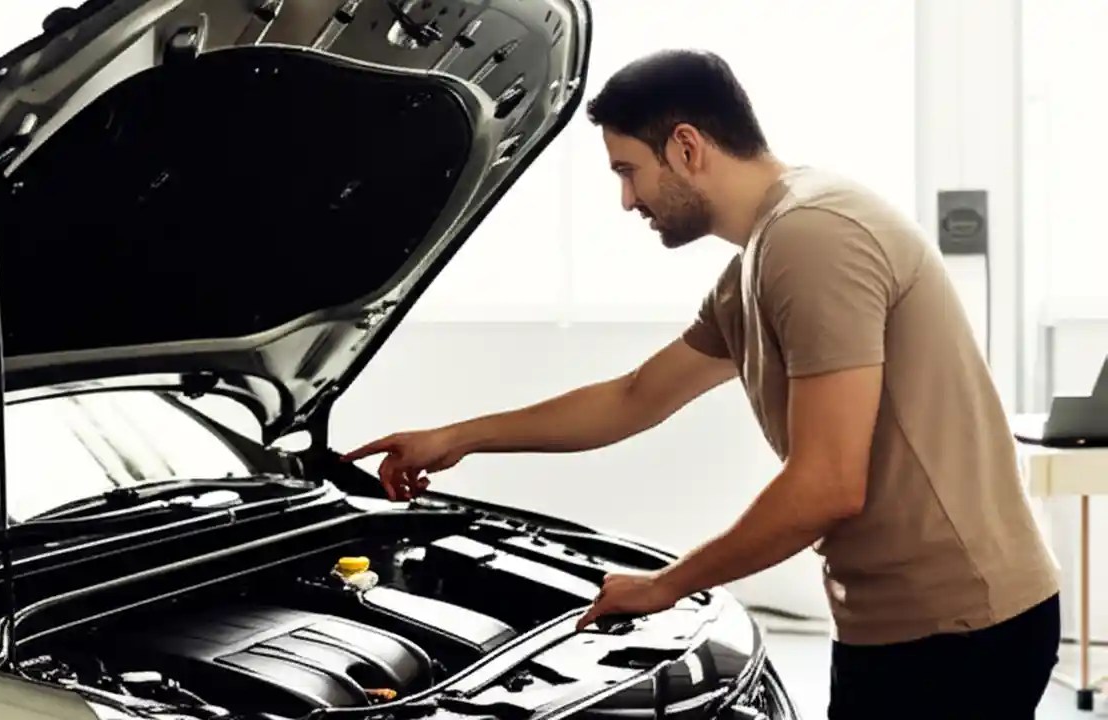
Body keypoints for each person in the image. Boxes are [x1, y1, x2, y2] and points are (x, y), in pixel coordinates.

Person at [343, 49, 1062, 718]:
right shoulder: (760, 260)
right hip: (899, 621)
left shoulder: (814, 238)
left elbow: (827, 483)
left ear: (686, 147)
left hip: (958, 624)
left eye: (628, 171)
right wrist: (458, 438)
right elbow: (634, 398)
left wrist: (668, 584)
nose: (627, 201)